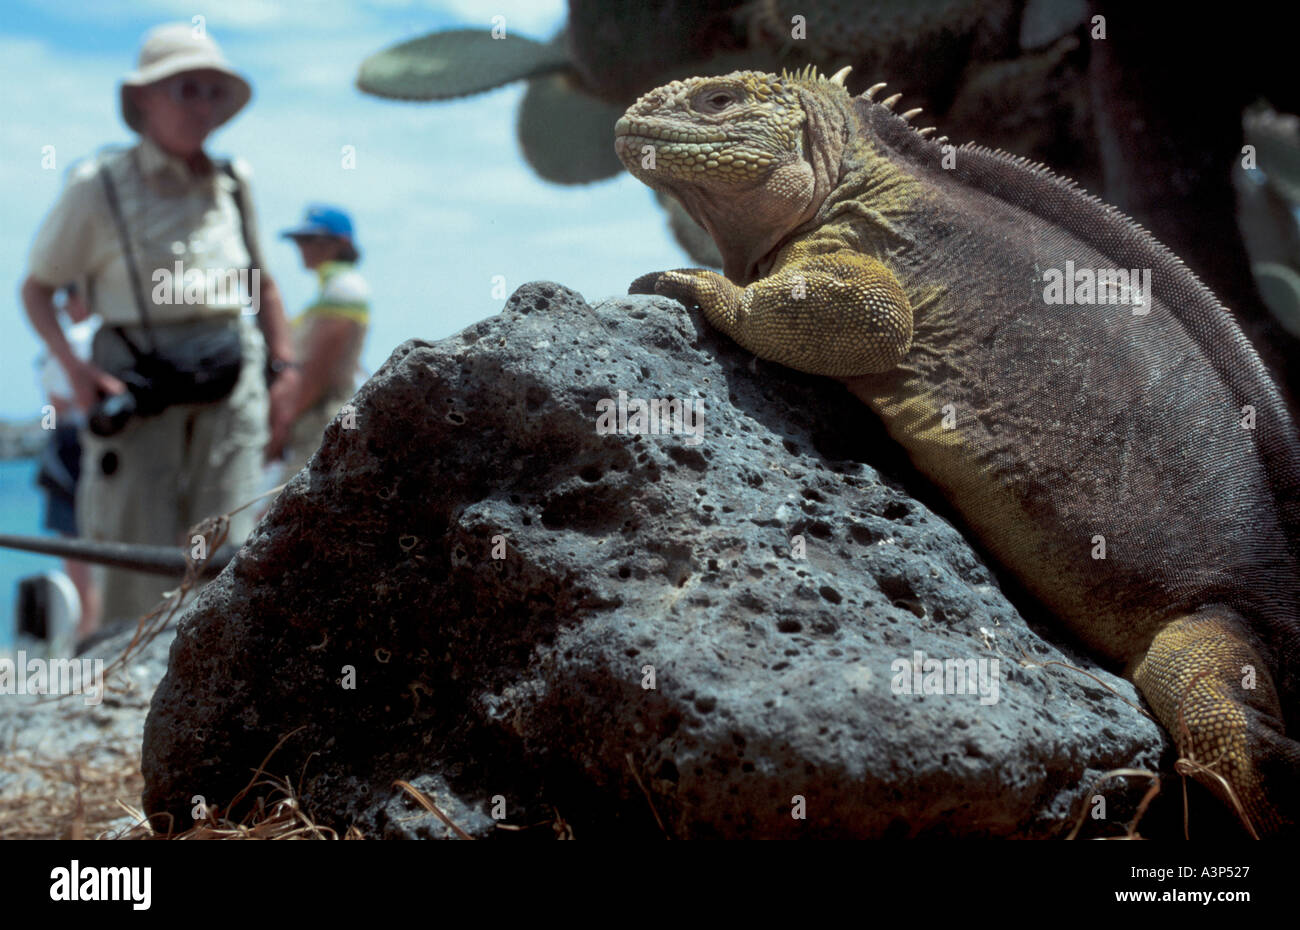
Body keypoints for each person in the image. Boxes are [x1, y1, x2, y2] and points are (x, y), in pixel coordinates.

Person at [18, 23, 301, 629]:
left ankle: (220, 669)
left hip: (231, 374)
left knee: (231, 544)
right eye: (186, 89)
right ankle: (128, 676)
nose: (203, 106)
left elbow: (263, 283)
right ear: (144, 98)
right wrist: (76, 371)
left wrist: (285, 369)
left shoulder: (233, 180)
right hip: (136, 381)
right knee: (131, 551)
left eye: (212, 92)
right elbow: (36, 288)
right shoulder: (98, 187)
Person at [277, 206, 370, 477]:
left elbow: (318, 372)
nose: (302, 247)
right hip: (324, 417)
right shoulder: (335, 288)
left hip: (323, 419)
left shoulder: (344, 288)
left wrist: (281, 425)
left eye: (311, 240)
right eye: (300, 240)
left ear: (340, 243)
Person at [33, 284, 101, 639]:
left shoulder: (74, 339)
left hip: (72, 444)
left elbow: (57, 406)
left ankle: (87, 628)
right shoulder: (113, 334)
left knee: (73, 542)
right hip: (111, 444)